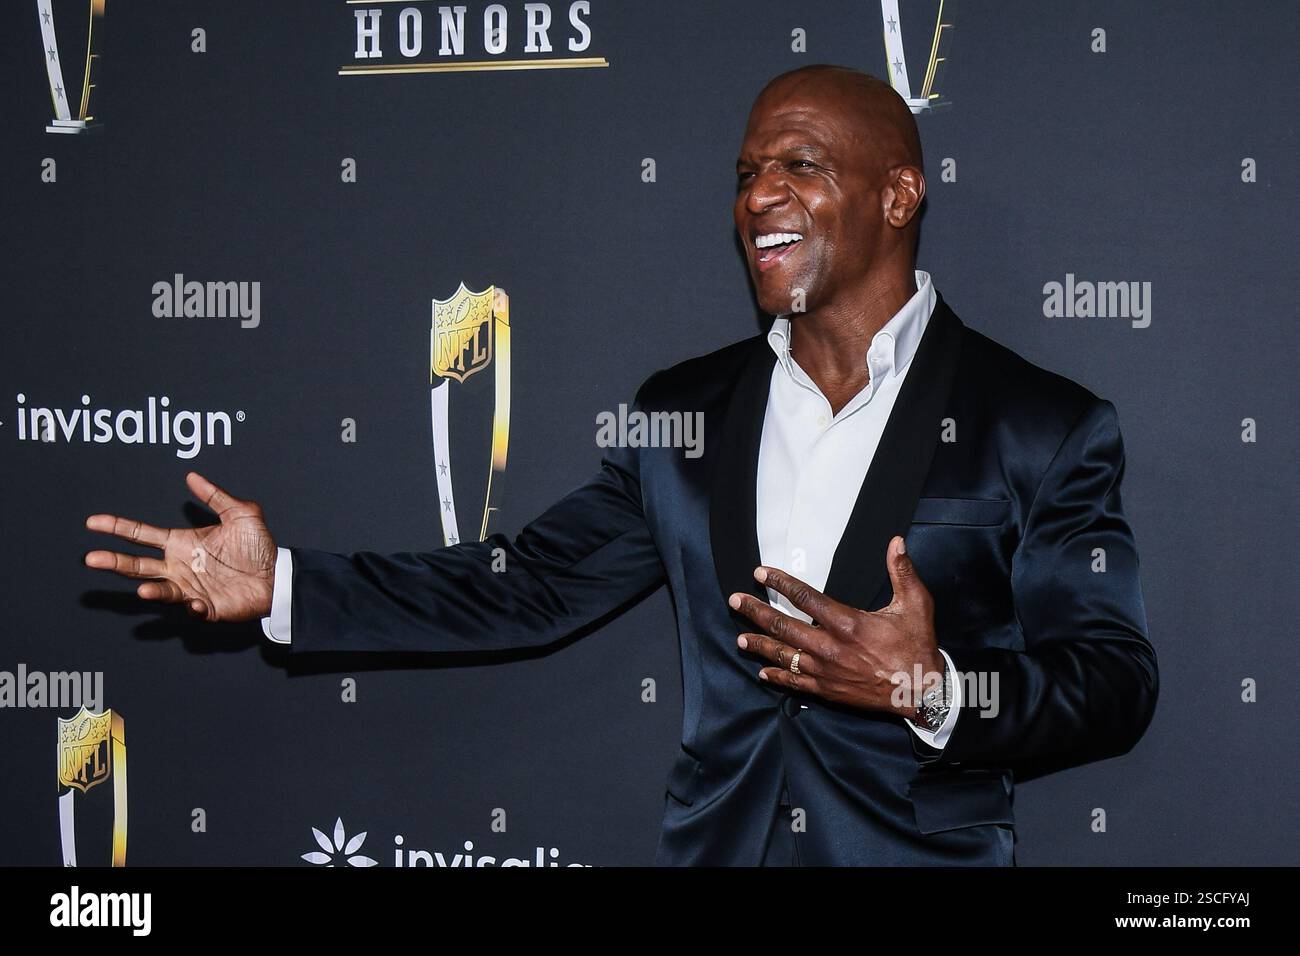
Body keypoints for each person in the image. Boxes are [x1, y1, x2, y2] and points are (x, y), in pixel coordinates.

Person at [84, 64, 1158, 866]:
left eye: (800, 165)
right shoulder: (683, 410)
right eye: (745, 174)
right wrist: (286, 584)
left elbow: (1112, 684)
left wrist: (927, 684)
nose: (758, 196)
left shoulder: (1039, 422)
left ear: (898, 195)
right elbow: (529, 586)